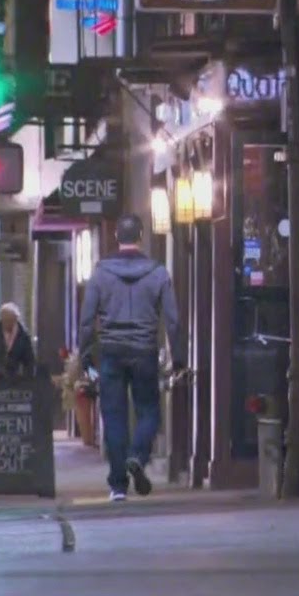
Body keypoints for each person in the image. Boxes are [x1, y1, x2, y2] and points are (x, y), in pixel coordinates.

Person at [77, 213, 183, 502]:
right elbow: (172, 320)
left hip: (111, 351)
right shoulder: (158, 273)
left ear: (116, 237)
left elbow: (87, 320)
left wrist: (85, 355)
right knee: (149, 411)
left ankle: (118, 485)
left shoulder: (101, 273)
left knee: (114, 416)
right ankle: (137, 455)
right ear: (141, 237)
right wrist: (179, 357)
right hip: (144, 350)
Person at [0, 302, 37, 379]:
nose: (7, 323)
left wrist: (26, 378)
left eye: (10, 320)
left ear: (16, 319)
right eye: (5, 320)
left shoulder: (23, 335)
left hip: (14, 379)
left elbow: (29, 360)